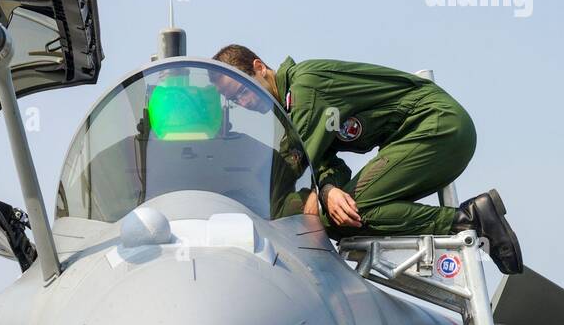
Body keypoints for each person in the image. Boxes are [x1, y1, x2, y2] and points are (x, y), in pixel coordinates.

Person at [211, 45, 523, 274]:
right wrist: (329, 189)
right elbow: (321, 160)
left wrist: (248, 212)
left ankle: (469, 220)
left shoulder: (305, 89)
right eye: (236, 101)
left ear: (260, 67)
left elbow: (291, 165)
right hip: (427, 134)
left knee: (348, 213)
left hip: (437, 127)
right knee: (340, 215)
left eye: (243, 90)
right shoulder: (295, 111)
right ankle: (467, 221)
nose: (245, 102)